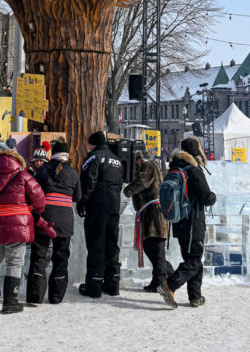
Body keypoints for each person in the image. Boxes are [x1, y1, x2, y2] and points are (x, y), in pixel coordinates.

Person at [0, 144, 53, 314]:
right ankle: (10, 302)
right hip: (18, 227)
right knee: (14, 262)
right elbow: (40, 201)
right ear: (17, 160)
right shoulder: (24, 176)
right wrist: (32, 210)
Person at [157, 136, 216, 310]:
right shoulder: (194, 170)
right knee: (194, 260)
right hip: (193, 223)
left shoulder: (174, 168)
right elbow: (206, 197)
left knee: (192, 258)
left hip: (179, 221)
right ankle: (169, 286)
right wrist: (213, 197)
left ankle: (195, 297)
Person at [26, 140, 81, 305]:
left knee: (39, 256)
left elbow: (32, 191)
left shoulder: (43, 169)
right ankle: (56, 296)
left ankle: (36, 297)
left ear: (53, 155)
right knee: (61, 257)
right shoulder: (73, 172)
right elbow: (78, 197)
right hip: (65, 219)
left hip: (44, 218)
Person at [78, 130, 123, 299]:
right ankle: (112, 284)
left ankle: (94, 285)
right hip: (114, 205)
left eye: (89, 144)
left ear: (93, 144)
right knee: (112, 244)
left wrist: (83, 202)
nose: (87, 147)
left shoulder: (94, 158)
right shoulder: (117, 160)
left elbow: (89, 182)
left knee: (96, 243)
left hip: (98, 206)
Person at [123, 148, 168, 292]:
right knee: (150, 247)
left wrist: (126, 190)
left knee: (156, 248)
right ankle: (165, 276)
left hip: (154, 215)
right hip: (150, 214)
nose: (136, 164)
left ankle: (160, 282)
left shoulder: (148, 166)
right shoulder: (154, 166)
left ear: (139, 159)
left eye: (137, 161)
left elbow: (142, 182)